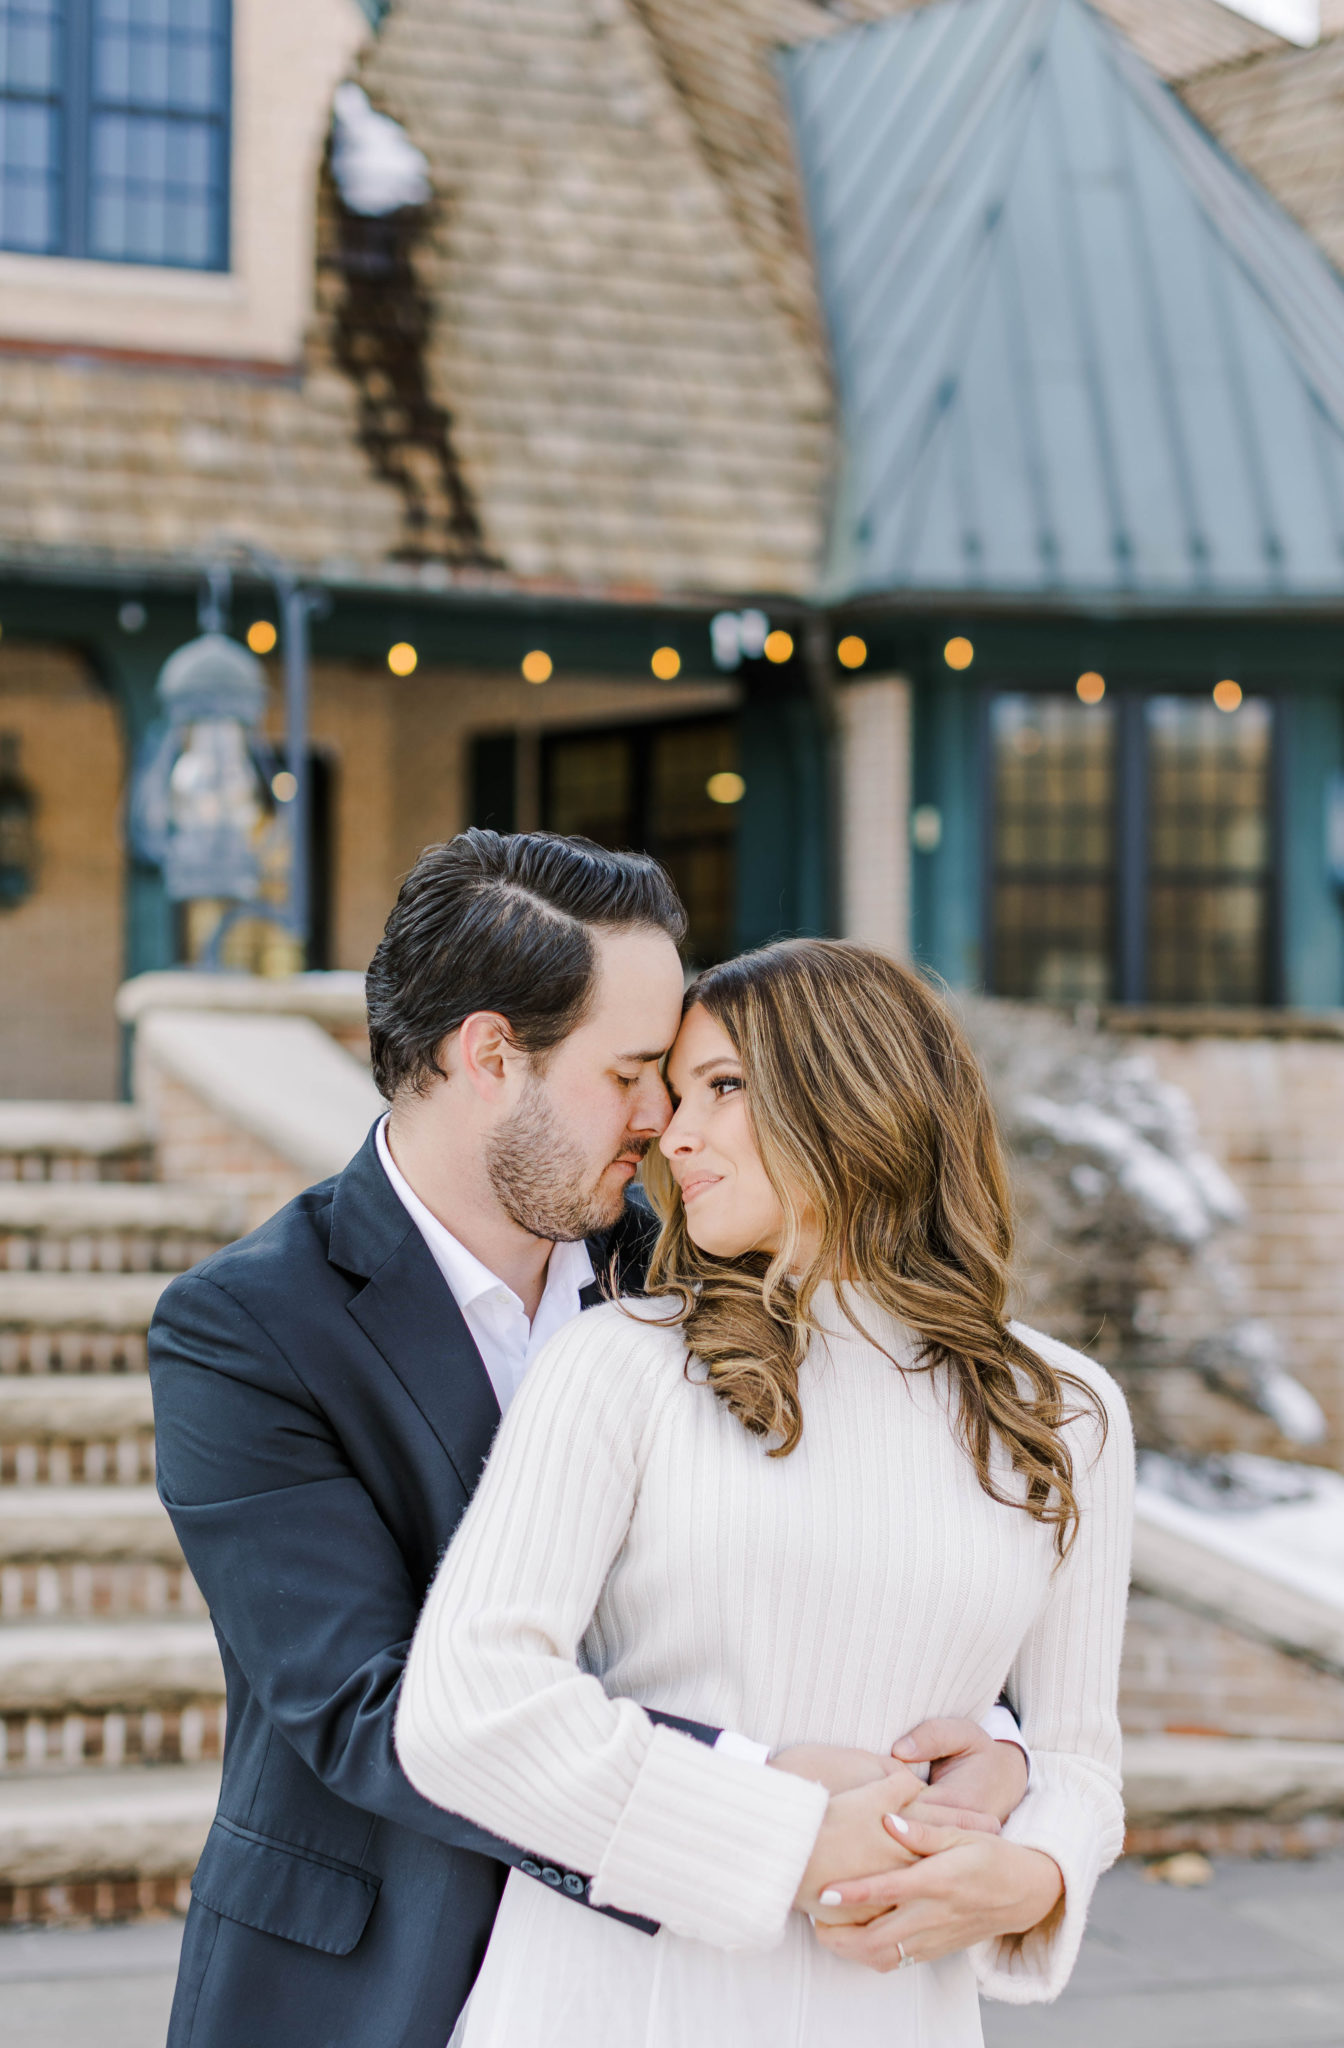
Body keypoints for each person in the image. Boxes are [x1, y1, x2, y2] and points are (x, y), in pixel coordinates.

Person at [149, 834, 1028, 2048]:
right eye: (630, 1074)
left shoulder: (695, 1265)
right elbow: (372, 1705)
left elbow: (883, 1517)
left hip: (689, 1994)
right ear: (492, 1055)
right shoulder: (245, 1327)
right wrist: (762, 1790)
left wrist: (996, 1743)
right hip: (370, 1979)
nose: (665, 1119)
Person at [395, 938, 1135, 2047]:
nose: (672, 1135)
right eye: (674, 1093)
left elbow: (1078, 1754)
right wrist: (785, 1839)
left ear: (855, 1092)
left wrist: (1034, 1875)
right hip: (612, 2003)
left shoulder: (1065, 1410)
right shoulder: (622, 1364)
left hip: (894, 2008)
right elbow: (467, 1707)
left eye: (724, 1087)